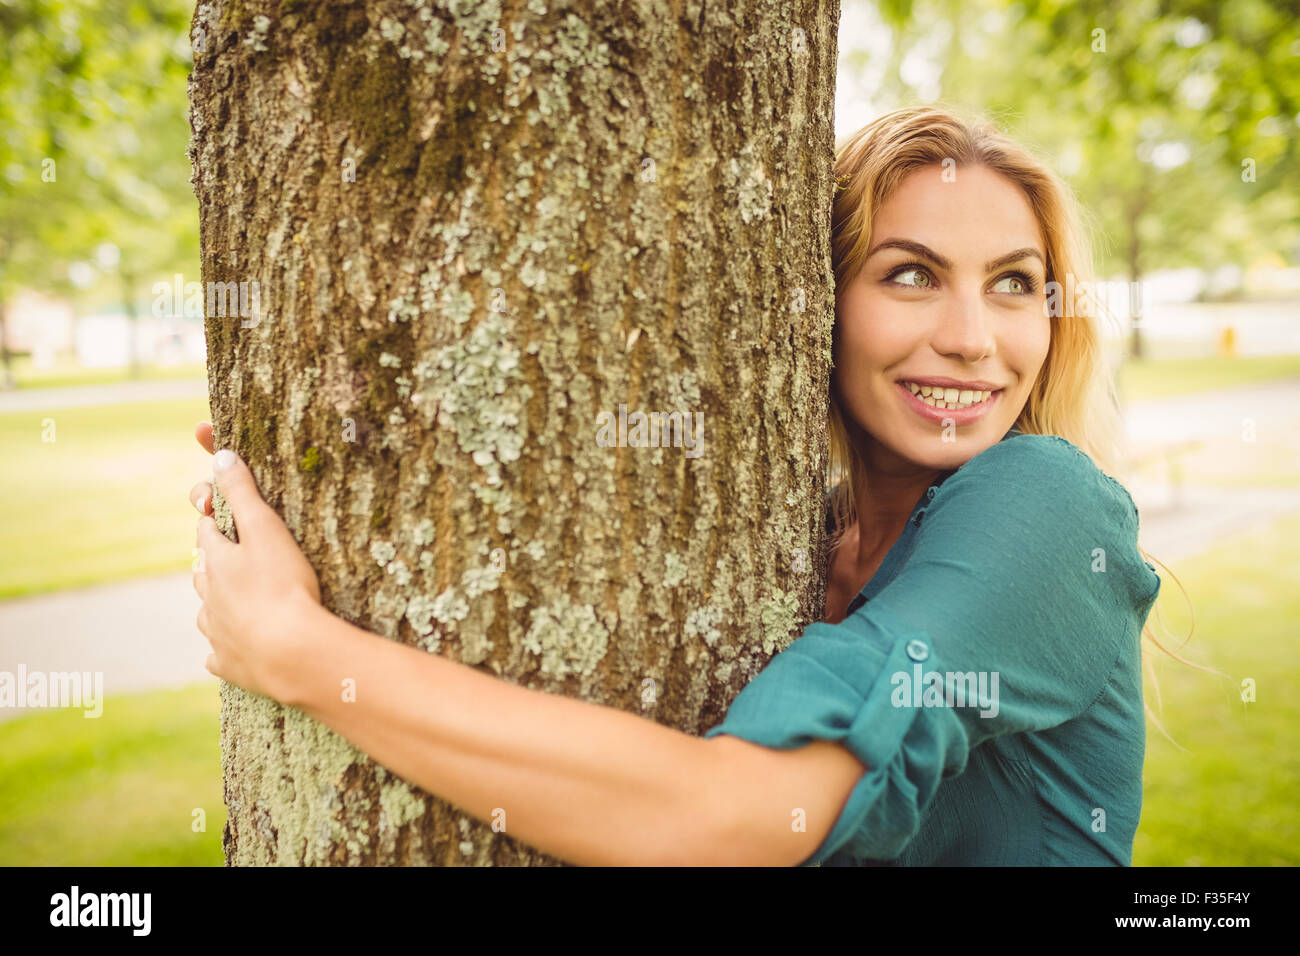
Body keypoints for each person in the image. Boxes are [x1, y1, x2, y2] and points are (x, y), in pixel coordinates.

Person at [186, 105, 1162, 866]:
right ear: (814, 299)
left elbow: (727, 821)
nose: (971, 336)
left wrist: (296, 648)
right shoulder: (799, 533)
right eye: (909, 274)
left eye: (1012, 282)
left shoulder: (1045, 505)